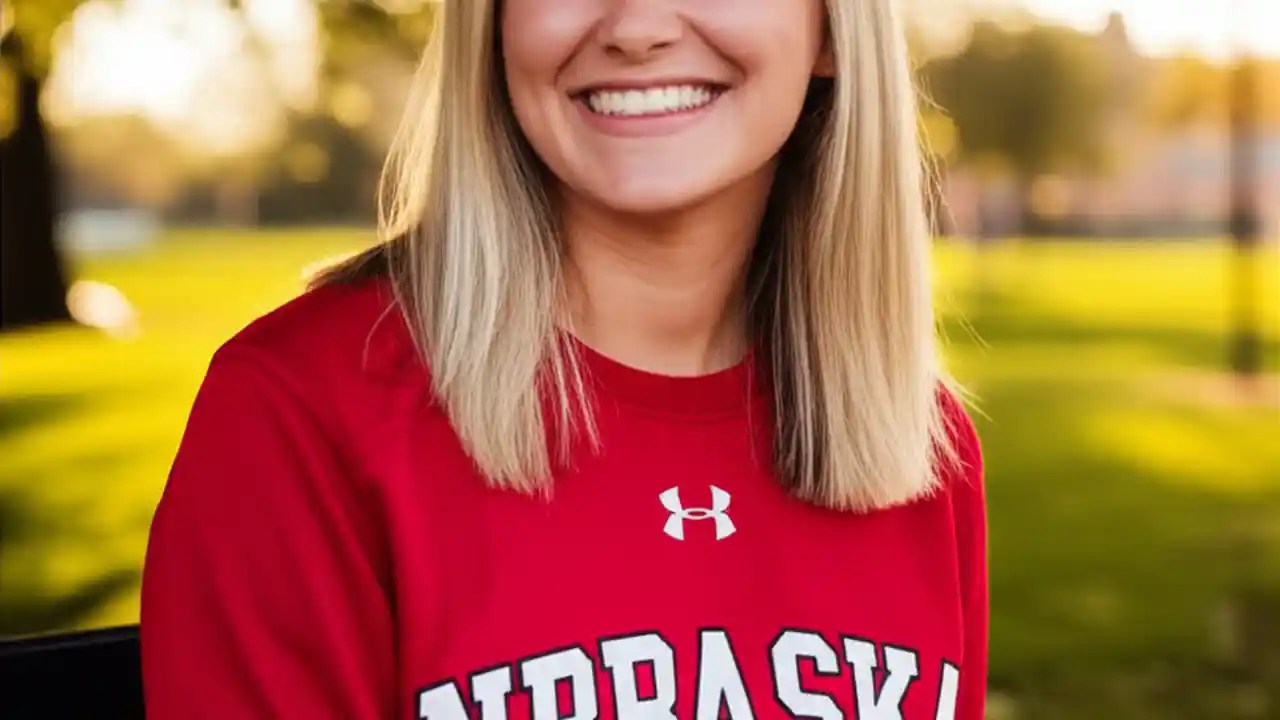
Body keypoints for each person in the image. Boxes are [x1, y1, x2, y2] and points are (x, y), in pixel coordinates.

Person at [140, 0, 988, 718]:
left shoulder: (917, 444)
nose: (637, 28)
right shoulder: (298, 414)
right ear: (493, 28)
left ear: (832, 29)